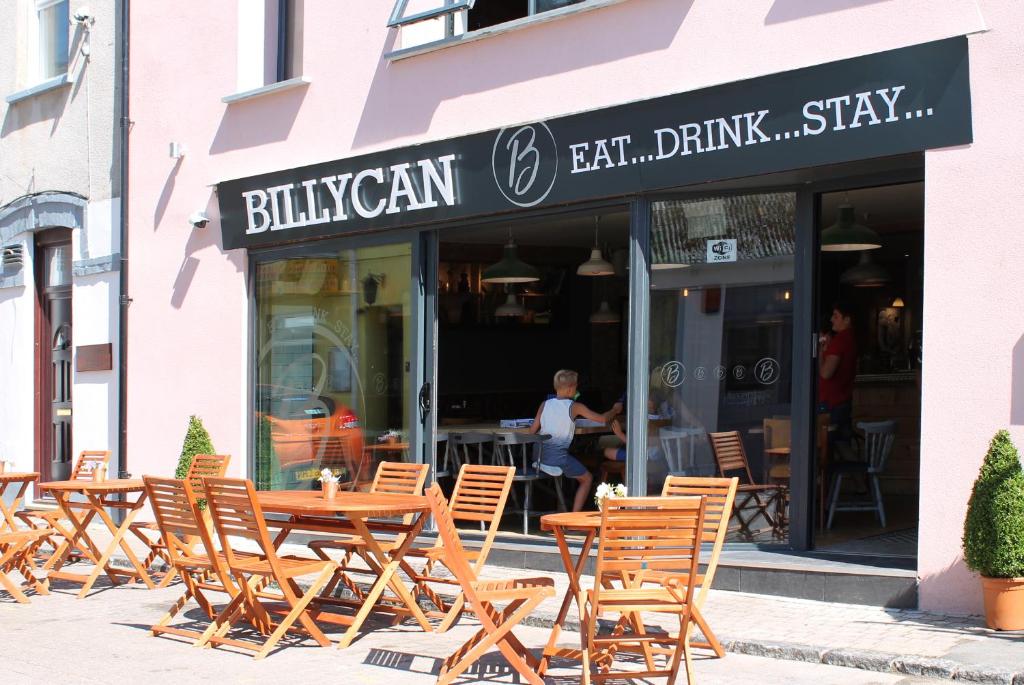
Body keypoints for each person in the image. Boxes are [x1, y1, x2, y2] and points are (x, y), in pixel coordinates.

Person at [529, 369, 605, 512]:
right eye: (576, 387)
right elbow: (603, 419)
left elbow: (532, 432)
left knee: (567, 461)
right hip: (557, 459)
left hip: (538, 457)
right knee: (587, 478)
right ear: (571, 388)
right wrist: (614, 410)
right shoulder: (575, 406)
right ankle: (574, 516)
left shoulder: (544, 404)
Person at [818, 301, 858, 452]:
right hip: (843, 401)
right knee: (842, 446)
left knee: (824, 449)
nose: (831, 319)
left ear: (847, 320)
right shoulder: (850, 339)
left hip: (832, 404)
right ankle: (863, 474)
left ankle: (860, 473)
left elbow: (826, 373)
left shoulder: (840, 341)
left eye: (836, 316)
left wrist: (821, 351)